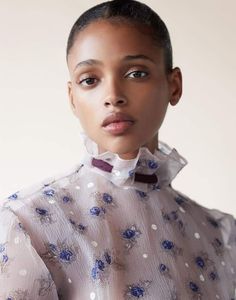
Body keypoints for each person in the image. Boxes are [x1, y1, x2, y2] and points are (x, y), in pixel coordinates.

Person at [0, 0, 235, 299]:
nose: (112, 96)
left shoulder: (220, 235)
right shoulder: (28, 222)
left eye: (136, 73)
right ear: (73, 97)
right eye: (89, 80)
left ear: (173, 85)